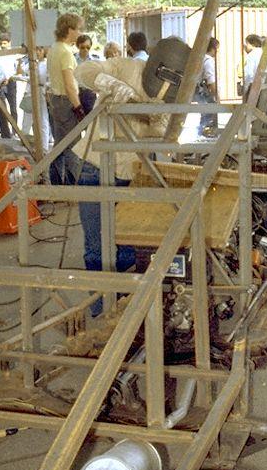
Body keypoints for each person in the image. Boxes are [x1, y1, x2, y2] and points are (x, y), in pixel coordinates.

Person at [72, 36, 190, 317]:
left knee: (129, 243)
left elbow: (168, 136)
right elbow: (82, 71)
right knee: (98, 247)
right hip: (94, 166)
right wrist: (110, 83)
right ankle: (102, 313)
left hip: (132, 173)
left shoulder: (176, 95)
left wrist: (155, 119)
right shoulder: (126, 67)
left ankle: (126, 308)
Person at [46, 13, 85, 184]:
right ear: (69, 30)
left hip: (56, 100)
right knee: (74, 146)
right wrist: (78, 107)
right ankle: (77, 184)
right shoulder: (66, 53)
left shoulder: (54, 48)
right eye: (78, 29)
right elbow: (69, 84)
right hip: (66, 101)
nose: (80, 33)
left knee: (60, 145)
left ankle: (55, 182)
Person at [17, 46, 51, 152]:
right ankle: (25, 144)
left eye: (40, 50)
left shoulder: (46, 65)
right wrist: (20, 62)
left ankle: (44, 146)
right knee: (27, 119)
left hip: (41, 92)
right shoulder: (31, 64)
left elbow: (48, 80)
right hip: (30, 93)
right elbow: (20, 72)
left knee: (43, 120)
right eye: (36, 50)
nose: (38, 52)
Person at [196, 37, 219, 134]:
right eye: (217, 48)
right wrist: (216, 95)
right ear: (213, 48)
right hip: (201, 90)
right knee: (209, 112)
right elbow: (211, 80)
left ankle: (201, 132)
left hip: (197, 89)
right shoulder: (208, 60)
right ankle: (203, 133)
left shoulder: (200, 58)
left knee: (205, 112)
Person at [0, 32, 18, 126]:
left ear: (9, 43)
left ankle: (15, 129)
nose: (3, 46)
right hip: (0, 83)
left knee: (13, 107)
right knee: (2, 108)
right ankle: (4, 129)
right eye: (1, 43)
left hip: (11, 82)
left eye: (4, 43)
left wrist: (8, 78)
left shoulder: (13, 55)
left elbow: (16, 70)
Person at [75, 34, 98, 115]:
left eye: (88, 47)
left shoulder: (95, 60)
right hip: (76, 92)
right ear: (78, 46)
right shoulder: (73, 59)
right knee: (77, 118)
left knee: (91, 118)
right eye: (82, 47)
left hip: (89, 92)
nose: (85, 50)